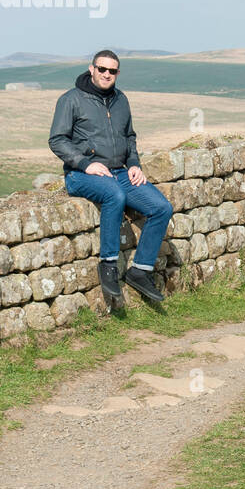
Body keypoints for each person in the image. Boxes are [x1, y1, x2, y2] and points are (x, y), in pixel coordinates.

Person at [48, 49, 172, 305]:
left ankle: (140, 270)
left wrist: (134, 164)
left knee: (161, 207)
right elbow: (57, 140)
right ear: (91, 69)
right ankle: (108, 266)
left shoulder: (121, 100)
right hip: (81, 174)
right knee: (114, 195)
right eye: (101, 69)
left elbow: (129, 136)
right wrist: (85, 164)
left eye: (112, 71)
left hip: (120, 171)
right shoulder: (70, 100)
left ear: (117, 73)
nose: (106, 74)